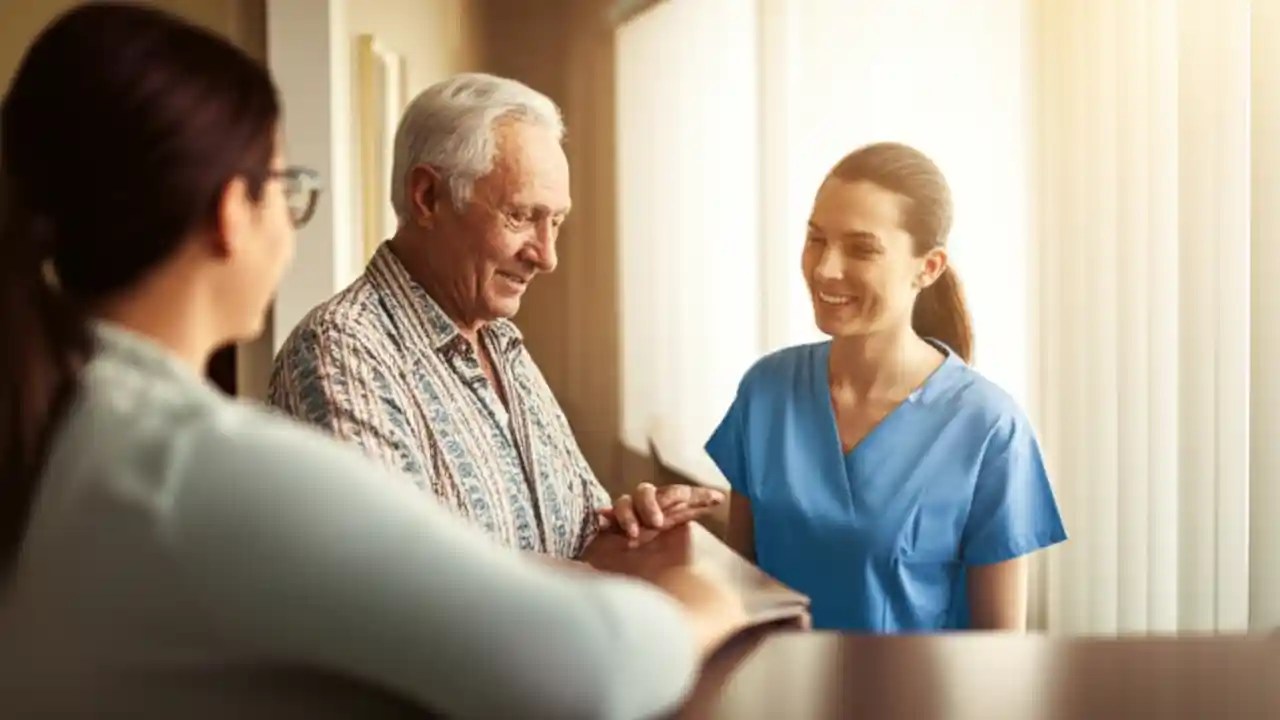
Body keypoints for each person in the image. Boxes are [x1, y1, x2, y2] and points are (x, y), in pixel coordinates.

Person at [0, 5, 743, 718]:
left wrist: (614, 533)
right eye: (287, 189)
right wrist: (705, 601)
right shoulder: (197, 459)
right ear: (233, 213)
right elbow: (588, 669)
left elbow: (563, 534)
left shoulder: (81, 425)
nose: (545, 254)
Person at [268, 72, 719, 558]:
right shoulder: (341, 352)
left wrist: (626, 529)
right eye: (521, 216)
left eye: (557, 222)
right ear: (427, 198)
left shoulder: (502, 344)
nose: (547, 257)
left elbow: (570, 536)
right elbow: (396, 593)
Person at [705, 142, 1067, 633]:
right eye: (816, 239)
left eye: (861, 249)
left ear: (928, 267)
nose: (825, 269)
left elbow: (998, 651)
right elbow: (738, 592)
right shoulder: (766, 391)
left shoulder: (988, 428)